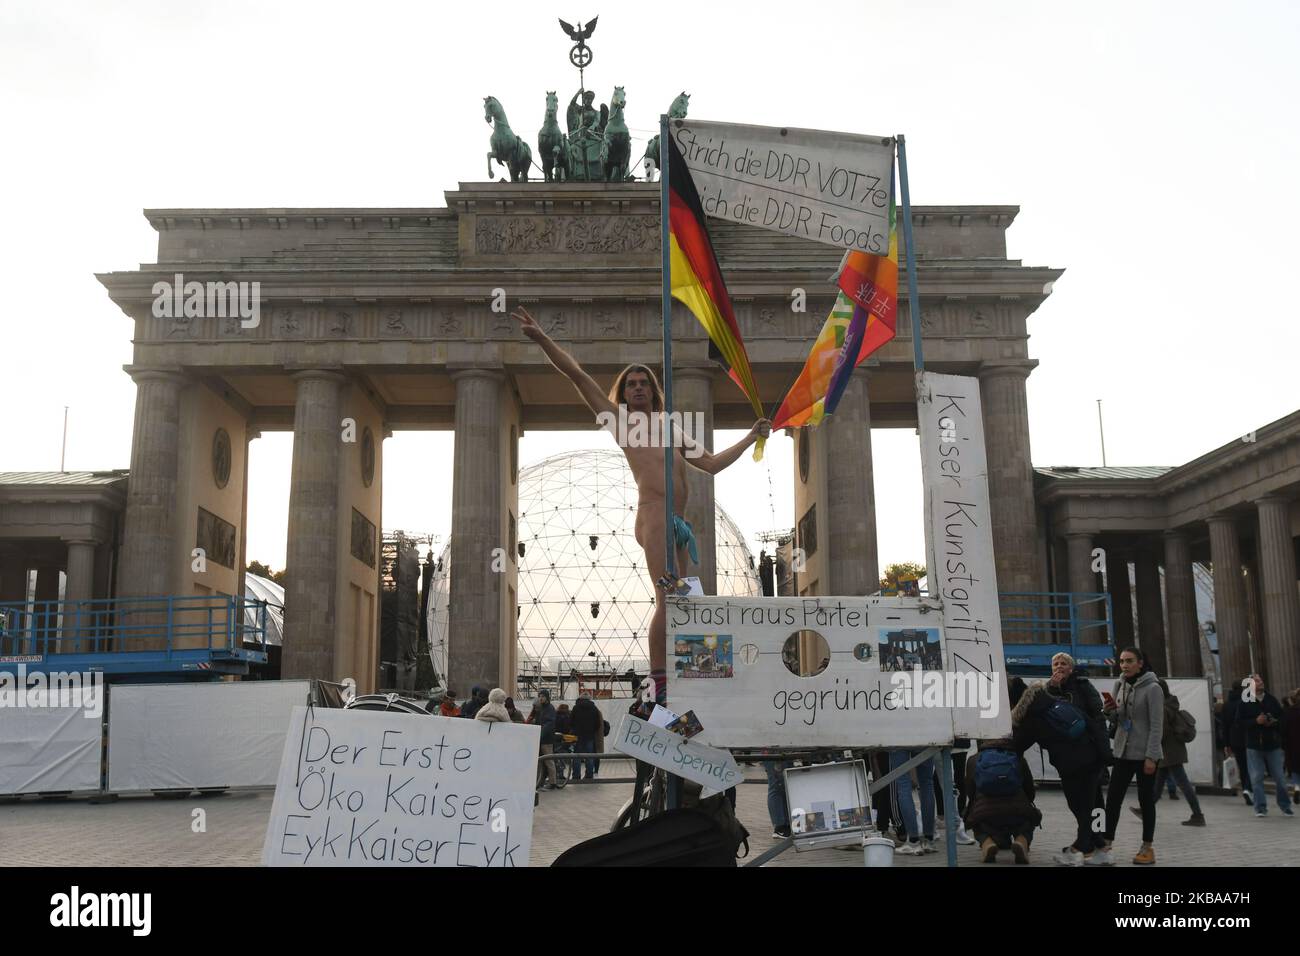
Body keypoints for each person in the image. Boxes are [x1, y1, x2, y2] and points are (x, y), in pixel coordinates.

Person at [511, 305, 770, 708]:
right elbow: (578, 375)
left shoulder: (670, 425)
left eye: (643, 383)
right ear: (623, 392)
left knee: (683, 598)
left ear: (653, 389)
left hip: (679, 525)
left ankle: (688, 676)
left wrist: (752, 435)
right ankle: (659, 687)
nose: (636, 389)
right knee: (667, 597)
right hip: (652, 516)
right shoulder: (620, 423)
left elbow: (712, 464)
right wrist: (543, 339)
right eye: (630, 384)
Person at [1012, 680, 1111, 866]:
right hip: (1092, 755)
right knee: (1095, 804)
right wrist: (1105, 755)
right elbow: (1092, 723)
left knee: (1081, 807)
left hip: (1072, 764)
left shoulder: (1031, 714)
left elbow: (1017, 745)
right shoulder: (1056, 701)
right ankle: (1100, 847)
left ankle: (1079, 849)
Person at [1102, 647, 1164, 864]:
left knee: (1146, 801)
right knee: (1113, 800)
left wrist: (1152, 756)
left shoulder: (1153, 688)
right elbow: (1117, 719)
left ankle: (1147, 847)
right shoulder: (1120, 684)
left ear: (1140, 663)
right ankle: (1106, 844)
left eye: (1129, 661)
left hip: (1144, 754)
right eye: (1121, 661)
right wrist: (1108, 710)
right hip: (1122, 752)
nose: (1125, 665)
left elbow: (1157, 725)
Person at [1131, 679, 1205, 826]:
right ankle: (1145, 811)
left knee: (1183, 784)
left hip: (1170, 753)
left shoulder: (1162, 708)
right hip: (1170, 752)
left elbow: (1161, 733)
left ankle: (1198, 815)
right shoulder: (1170, 704)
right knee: (1158, 785)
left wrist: (1149, 744)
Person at [961, 738, 1041, 863]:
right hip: (1017, 814)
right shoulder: (1017, 757)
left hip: (987, 816)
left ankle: (987, 844)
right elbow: (1030, 792)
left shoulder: (973, 760)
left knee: (974, 816)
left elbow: (970, 795)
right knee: (1030, 817)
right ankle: (1021, 841)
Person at [1235, 673, 1294, 818]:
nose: (1260, 682)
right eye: (1256, 681)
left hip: (1272, 744)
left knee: (1280, 778)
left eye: (1260, 680)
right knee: (1256, 777)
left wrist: (1272, 722)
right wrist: (1255, 721)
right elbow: (1238, 723)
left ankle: (1285, 806)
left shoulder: (1271, 699)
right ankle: (1260, 808)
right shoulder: (1244, 702)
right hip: (1254, 745)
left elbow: (1282, 719)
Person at [889, 748, 938, 855]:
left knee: (903, 784)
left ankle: (913, 841)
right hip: (924, 737)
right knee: (927, 783)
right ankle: (929, 840)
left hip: (897, 737)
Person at [1223, 674, 1254, 806]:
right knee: (1252, 765)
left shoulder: (1227, 704)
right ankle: (1248, 788)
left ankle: (1247, 789)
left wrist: (1226, 744)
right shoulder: (1247, 701)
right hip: (1248, 737)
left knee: (1242, 765)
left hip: (1234, 739)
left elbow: (1224, 726)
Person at [529, 690, 560, 791]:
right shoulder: (540, 708)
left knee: (548, 760)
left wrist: (541, 732)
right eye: (539, 696)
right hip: (540, 738)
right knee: (541, 761)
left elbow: (549, 724)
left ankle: (552, 782)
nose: (541, 698)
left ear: (547, 697)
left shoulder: (550, 708)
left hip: (547, 739)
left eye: (543, 696)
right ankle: (540, 781)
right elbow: (537, 721)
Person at [570, 693, 603, 781]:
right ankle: (589, 775)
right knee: (589, 756)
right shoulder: (594, 708)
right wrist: (592, 730)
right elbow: (598, 723)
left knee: (577, 756)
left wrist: (575, 730)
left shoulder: (576, 708)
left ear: (580, 699)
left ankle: (576, 776)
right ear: (589, 699)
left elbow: (571, 721)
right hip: (589, 736)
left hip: (578, 736)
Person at [1284, 688, 1300, 804]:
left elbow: (1284, 730)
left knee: (1295, 768)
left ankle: (1297, 787)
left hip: (1293, 744)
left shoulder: (1289, 712)